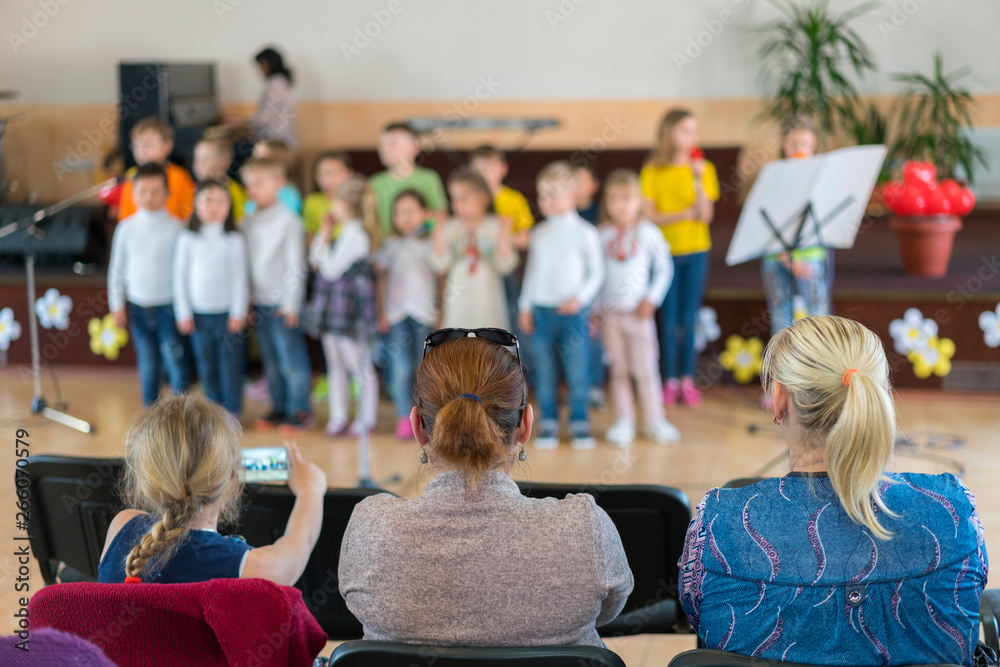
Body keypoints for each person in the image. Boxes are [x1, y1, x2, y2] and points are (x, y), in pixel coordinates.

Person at [678, 315, 988, 664]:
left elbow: (700, 615)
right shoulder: (954, 513)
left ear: (779, 398)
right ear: (880, 394)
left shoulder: (718, 527)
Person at [338, 332, 633, 647]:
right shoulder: (585, 529)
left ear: (418, 428)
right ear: (526, 424)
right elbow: (610, 610)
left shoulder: (370, 529)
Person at [98, 394, 326, 586]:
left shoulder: (122, 527)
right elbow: (299, 543)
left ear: (146, 475)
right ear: (231, 475)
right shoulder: (250, 568)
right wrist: (310, 490)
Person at [518, 161, 604, 451]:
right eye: (542, 194)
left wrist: (579, 298)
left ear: (573, 195)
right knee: (544, 370)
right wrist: (525, 305)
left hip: (573, 313)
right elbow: (533, 272)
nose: (545, 200)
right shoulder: (539, 233)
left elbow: (596, 273)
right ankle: (549, 422)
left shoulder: (585, 232)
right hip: (542, 311)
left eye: (553, 193)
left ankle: (579, 421)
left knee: (577, 369)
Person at [592, 169, 678, 447]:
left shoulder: (648, 232)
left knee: (646, 368)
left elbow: (664, 268)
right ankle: (624, 421)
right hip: (611, 315)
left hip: (638, 314)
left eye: (627, 198)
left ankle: (655, 420)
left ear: (639, 201)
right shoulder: (601, 235)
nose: (620, 205)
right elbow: (595, 274)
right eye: (613, 199)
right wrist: (595, 308)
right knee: (618, 369)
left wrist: (651, 298)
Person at [641, 108, 719, 408]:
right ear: (669, 133)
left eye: (694, 132)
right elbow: (649, 216)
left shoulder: (704, 169)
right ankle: (668, 380)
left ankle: (687, 379)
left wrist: (698, 179)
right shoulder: (652, 171)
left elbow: (705, 214)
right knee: (669, 319)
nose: (692, 138)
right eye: (685, 131)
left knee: (689, 317)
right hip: (664, 256)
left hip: (697, 251)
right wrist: (684, 214)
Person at [240, 156, 313, 434]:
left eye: (258, 183)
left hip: (284, 304)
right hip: (259, 302)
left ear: (279, 183)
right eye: (249, 184)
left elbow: (296, 265)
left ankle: (300, 409)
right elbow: (245, 265)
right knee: (270, 360)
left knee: (291, 359)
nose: (252, 189)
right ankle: (279, 405)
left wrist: (292, 302)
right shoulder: (247, 222)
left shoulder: (289, 220)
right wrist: (246, 299)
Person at [108, 162, 190, 405]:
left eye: (156, 191)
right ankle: (151, 413)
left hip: (169, 306)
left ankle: (180, 412)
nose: (150, 197)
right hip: (138, 306)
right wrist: (117, 304)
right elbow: (117, 269)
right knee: (148, 361)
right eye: (143, 191)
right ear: (133, 194)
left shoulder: (177, 229)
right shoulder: (126, 228)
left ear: (167, 193)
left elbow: (183, 273)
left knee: (175, 359)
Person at [305, 176, 380, 438]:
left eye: (335, 201)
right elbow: (315, 259)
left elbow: (331, 269)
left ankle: (366, 418)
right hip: (333, 305)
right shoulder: (343, 231)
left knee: (358, 364)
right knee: (335, 363)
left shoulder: (356, 234)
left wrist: (325, 243)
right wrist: (325, 232)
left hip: (349, 307)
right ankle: (338, 416)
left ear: (346, 205)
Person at [173, 180, 249, 416]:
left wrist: (238, 312)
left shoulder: (234, 239)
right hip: (198, 315)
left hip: (227, 315)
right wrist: (183, 313)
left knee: (230, 365)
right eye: (207, 200)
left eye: (220, 201)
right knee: (206, 366)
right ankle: (212, 413)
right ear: (196, 204)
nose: (214, 206)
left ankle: (232, 412)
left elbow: (240, 277)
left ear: (229, 206)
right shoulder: (187, 239)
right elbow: (180, 277)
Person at [373, 190, 438, 440]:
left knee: (427, 369)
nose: (405, 218)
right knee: (400, 368)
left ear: (424, 213)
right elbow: (381, 277)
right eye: (399, 213)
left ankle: (428, 418)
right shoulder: (391, 245)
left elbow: (441, 277)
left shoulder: (432, 243)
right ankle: (404, 416)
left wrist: (440, 310)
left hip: (424, 313)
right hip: (396, 313)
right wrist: (381, 311)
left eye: (411, 212)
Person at [762, 115, 830, 335]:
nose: (800, 150)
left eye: (806, 145)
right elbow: (764, 221)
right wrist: (788, 258)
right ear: (784, 144)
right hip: (776, 257)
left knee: (819, 319)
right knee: (781, 320)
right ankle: (781, 369)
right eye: (794, 144)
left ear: (814, 146)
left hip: (811, 258)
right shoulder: (773, 177)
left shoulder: (822, 177)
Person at [429, 167, 517, 330]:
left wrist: (504, 233)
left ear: (483, 198)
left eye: (464, 199)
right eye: (454, 199)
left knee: (487, 343)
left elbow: (505, 265)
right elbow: (440, 264)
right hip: (457, 297)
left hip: (487, 295)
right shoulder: (450, 227)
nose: (456, 205)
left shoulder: (496, 225)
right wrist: (438, 232)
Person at [370, 122, 449, 237]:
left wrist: (417, 235)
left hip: (420, 247)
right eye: (382, 144)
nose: (384, 149)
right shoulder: (373, 183)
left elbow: (440, 217)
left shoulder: (429, 179)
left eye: (392, 143)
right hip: (385, 250)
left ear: (414, 148)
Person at [117, 117, 196, 222]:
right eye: (136, 145)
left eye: (147, 144)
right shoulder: (131, 177)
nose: (141, 150)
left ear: (167, 145)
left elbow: (188, 217)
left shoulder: (179, 177)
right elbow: (125, 219)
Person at [468, 145, 535, 250]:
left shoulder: (516, 199)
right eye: (478, 170)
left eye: (489, 168)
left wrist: (501, 236)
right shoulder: (466, 200)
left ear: (503, 169)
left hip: (505, 259)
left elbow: (525, 240)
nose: (483, 174)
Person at [191, 136, 247, 223]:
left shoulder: (234, 192)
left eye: (204, 160)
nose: (198, 164)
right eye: (196, 159)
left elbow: (240, 222)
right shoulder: (193, 188)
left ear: (224, 163)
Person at [303, 150, 354, 243]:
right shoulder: (311, 202)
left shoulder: (356, 200)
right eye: (324, 173)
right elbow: (310, 238)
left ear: (349, 173)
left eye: (335, 173)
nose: (329, 179)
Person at [245, 139, 302, 214]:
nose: (255, 159)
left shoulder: (289, 195)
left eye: (261, 156)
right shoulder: (253, 192)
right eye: (254, 154)